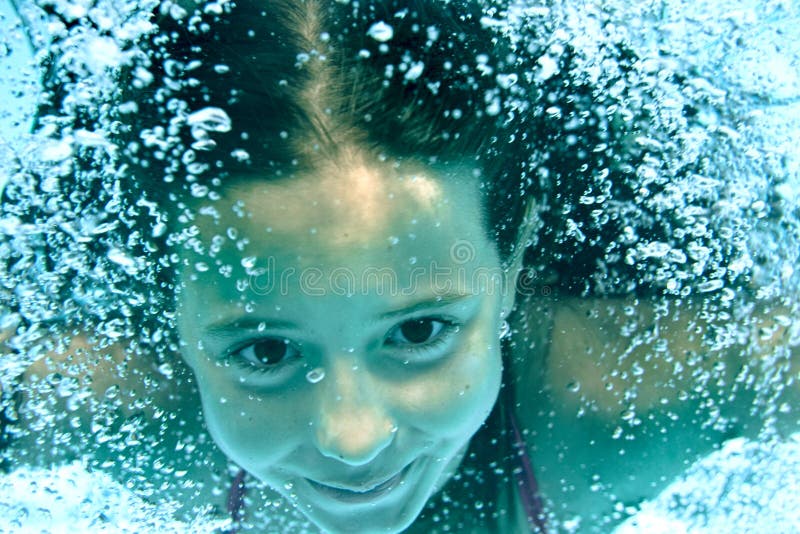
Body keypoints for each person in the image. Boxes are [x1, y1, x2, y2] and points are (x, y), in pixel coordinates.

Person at [1, 0, 797, 532]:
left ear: (515, 255)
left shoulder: (614, 397)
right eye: (265, 351)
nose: (352, 438)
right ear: (168, 302)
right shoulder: (107, 411)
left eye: (419, 331)